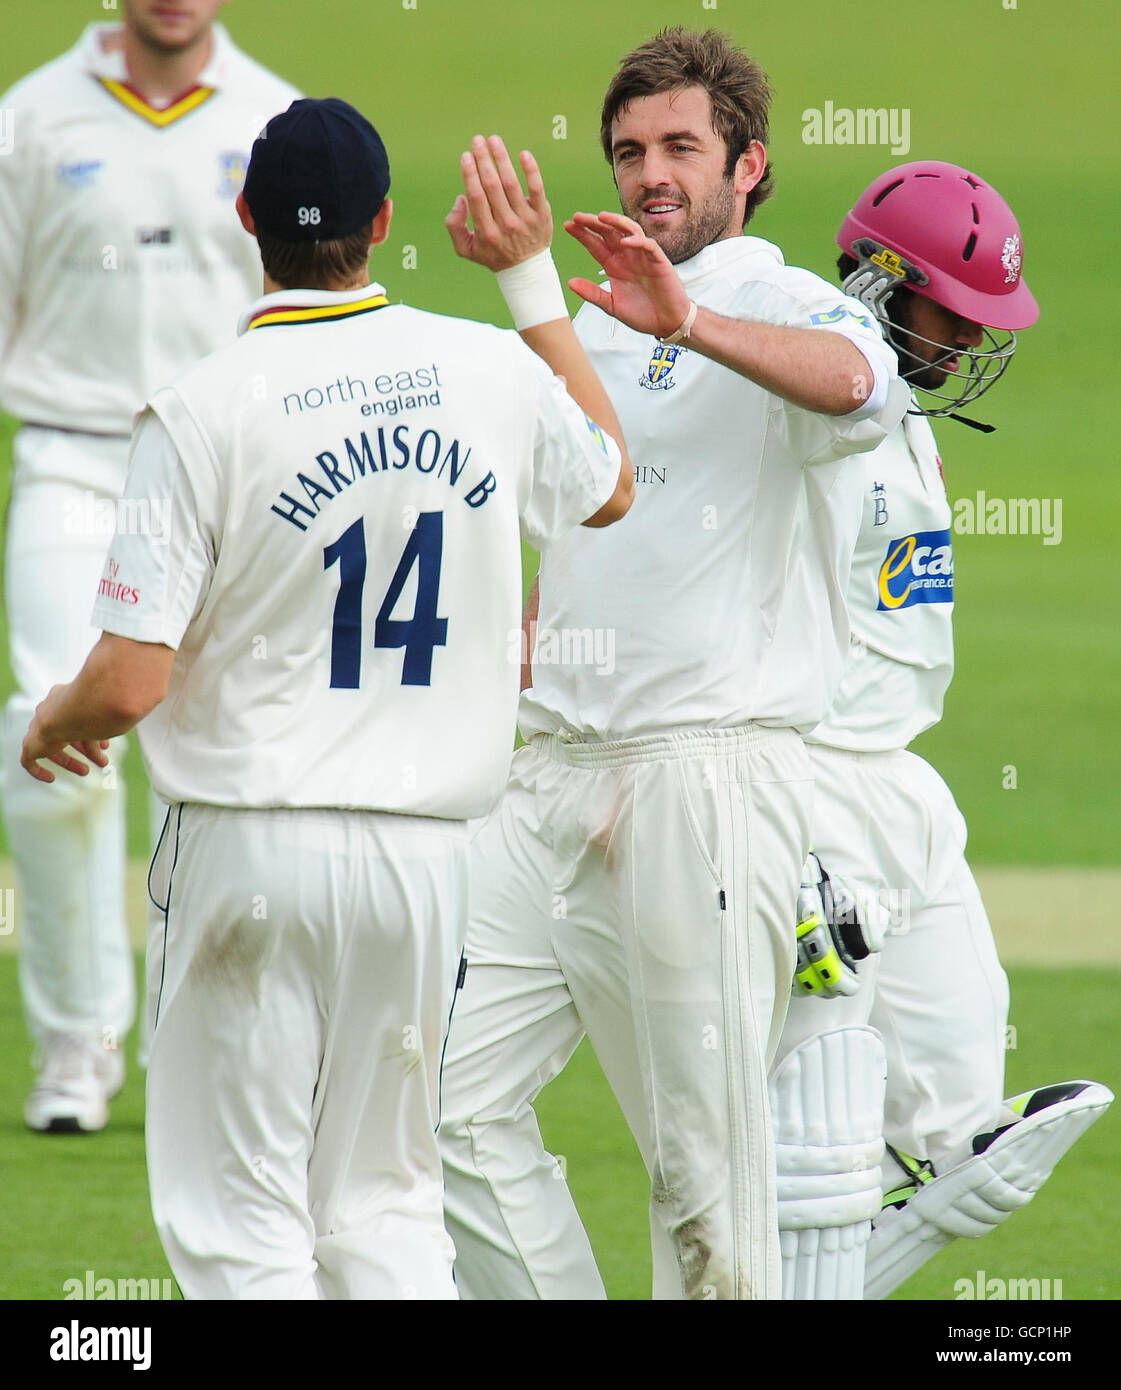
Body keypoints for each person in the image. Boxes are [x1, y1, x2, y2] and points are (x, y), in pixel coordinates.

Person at [20, 99, 632, 1299]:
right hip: (426, 868)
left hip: (250, 853)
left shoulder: (200, 407)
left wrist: (56, 719)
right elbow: (608, 484)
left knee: (241, 1223)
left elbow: (131, 678)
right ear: (383, 222)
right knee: (386, 1207)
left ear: (245, 219)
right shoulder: (482, 369)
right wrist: (530, 290)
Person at [437, 27, 908, 1301]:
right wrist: (534, 282)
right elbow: (590, 501)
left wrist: (687, 316)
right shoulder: (599, 308)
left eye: (679, 148)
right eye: (629, 149)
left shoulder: (774, 292)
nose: (650, 172)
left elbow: (864, 383)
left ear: (746, 165)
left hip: (705, 782)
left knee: (701, 1173)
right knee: (435, 1109)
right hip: (546, 781)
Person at [769, 159, 1113, 1300]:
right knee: (812, 1151)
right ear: (875, 284)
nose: (967, 343)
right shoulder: (810, 416)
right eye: (950, 315)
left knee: (988, 1145)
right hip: (803, 789)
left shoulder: (902, 415)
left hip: (904, 790)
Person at [0, 0, 299, 1133]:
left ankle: (234, 1034)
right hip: (74, 462)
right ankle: (79, 1042)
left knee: (241, 743)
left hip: (229, 465)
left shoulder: (272, 116)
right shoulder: (26, 119)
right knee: (49, 728)